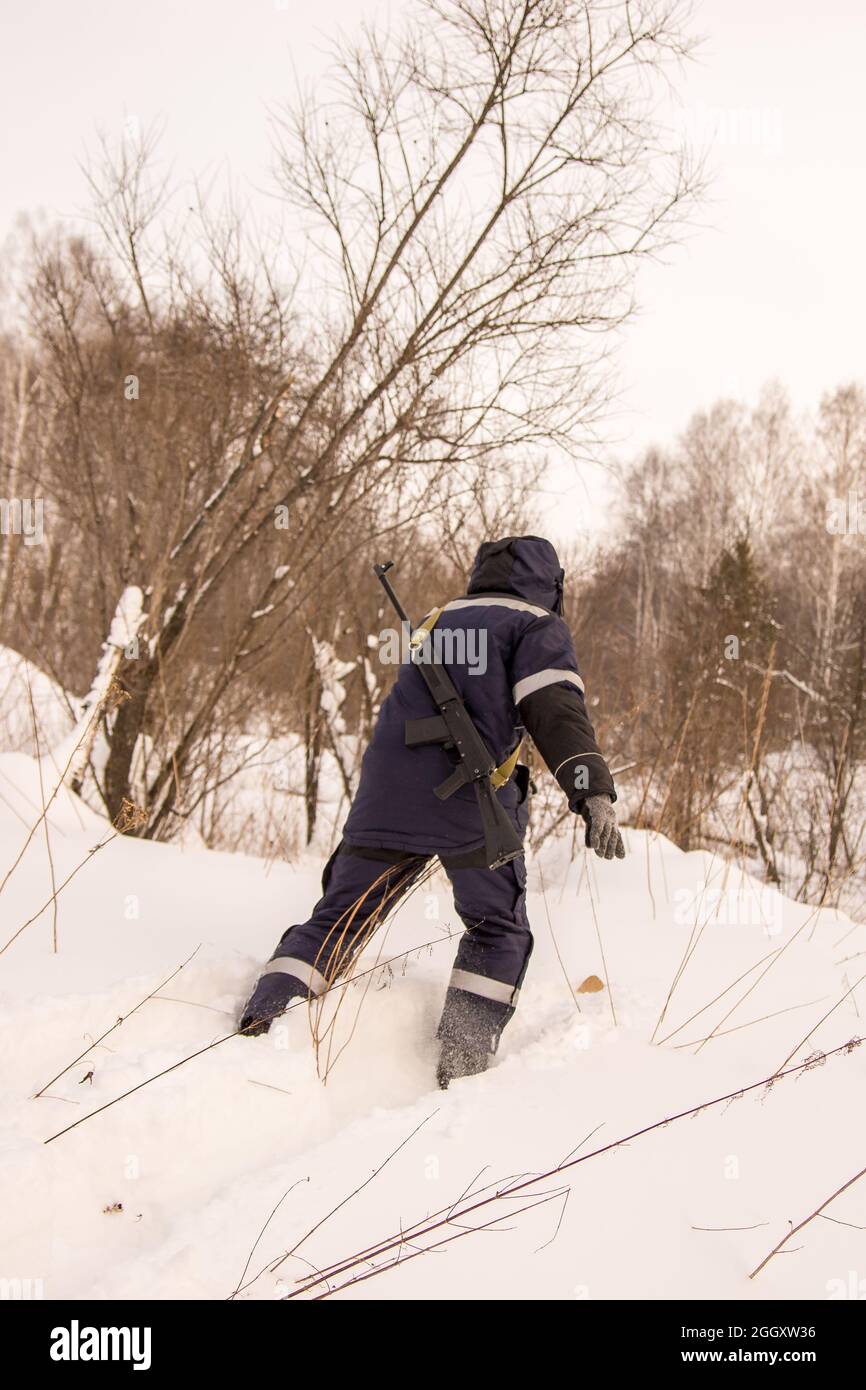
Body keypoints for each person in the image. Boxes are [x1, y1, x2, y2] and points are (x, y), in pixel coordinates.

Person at [240, 535, 625, 1086]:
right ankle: (462, 1067)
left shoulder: (434, 620)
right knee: (497, 930)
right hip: (472, 805)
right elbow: (555, 708)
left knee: (338, 919)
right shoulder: (536, 626)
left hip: (384, 799)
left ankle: (260, 1024)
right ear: (553, 585)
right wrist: (593, 791)